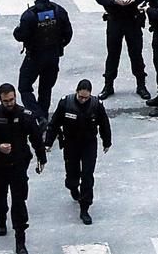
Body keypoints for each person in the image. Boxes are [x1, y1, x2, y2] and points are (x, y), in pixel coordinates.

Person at [0, 83, 46, 254]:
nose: (9, 103)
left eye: (12, 99)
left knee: (19, 202)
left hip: (19, 165)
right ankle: (0, 217)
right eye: (6, 100)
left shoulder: (25, 115)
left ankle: (20, 240)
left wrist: (41, 158)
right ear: (0, 99)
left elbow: (36, 138)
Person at [45, 79, 111, 225]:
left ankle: (85, 207)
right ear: (76, 92)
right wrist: (48, 143)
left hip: (89, 144)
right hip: (71, 143)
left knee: (87, 175)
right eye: (80, 97)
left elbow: (104, 124)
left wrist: (107, 142)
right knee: (72, 173)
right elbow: (54, 123)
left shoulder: (96, 105)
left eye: (86, 97)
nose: (82, 100)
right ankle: (73, 186)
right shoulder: (66, 103)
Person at [95, 0, 150, 101]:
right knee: (112, 54)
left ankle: (141, 84)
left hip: (132, 20)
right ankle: (108, 85)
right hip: (115, 20)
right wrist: (114, 1)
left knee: (136, 54)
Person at [14, 0, 73, 122]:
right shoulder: (59, 11)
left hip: (34, 57)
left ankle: (38, 116)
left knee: (24, 86)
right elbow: (68, 34)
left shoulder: (29, 15)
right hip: (53, 56)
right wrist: (58, 46)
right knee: (45, 89)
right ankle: (43, 117)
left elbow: (20, 35)